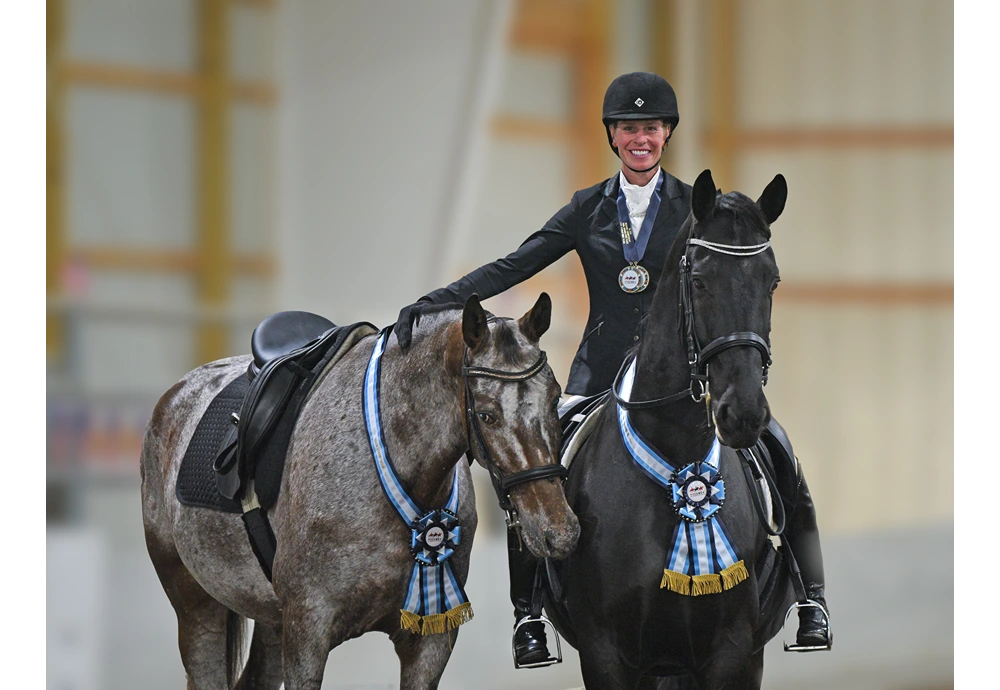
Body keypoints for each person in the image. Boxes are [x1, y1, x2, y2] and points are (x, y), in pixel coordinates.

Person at [392, 71, 831, 666]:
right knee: (534, 469)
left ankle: (812, 597)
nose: (640, 138)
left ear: (666, 133)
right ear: (613, 136)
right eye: (629, 128)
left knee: (777, 448)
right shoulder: (586, 210)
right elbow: (514, 264)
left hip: (685, 379)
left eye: (650, 128)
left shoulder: (695, 207)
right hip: (598, 374)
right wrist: (439, 299)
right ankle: (530, 615)